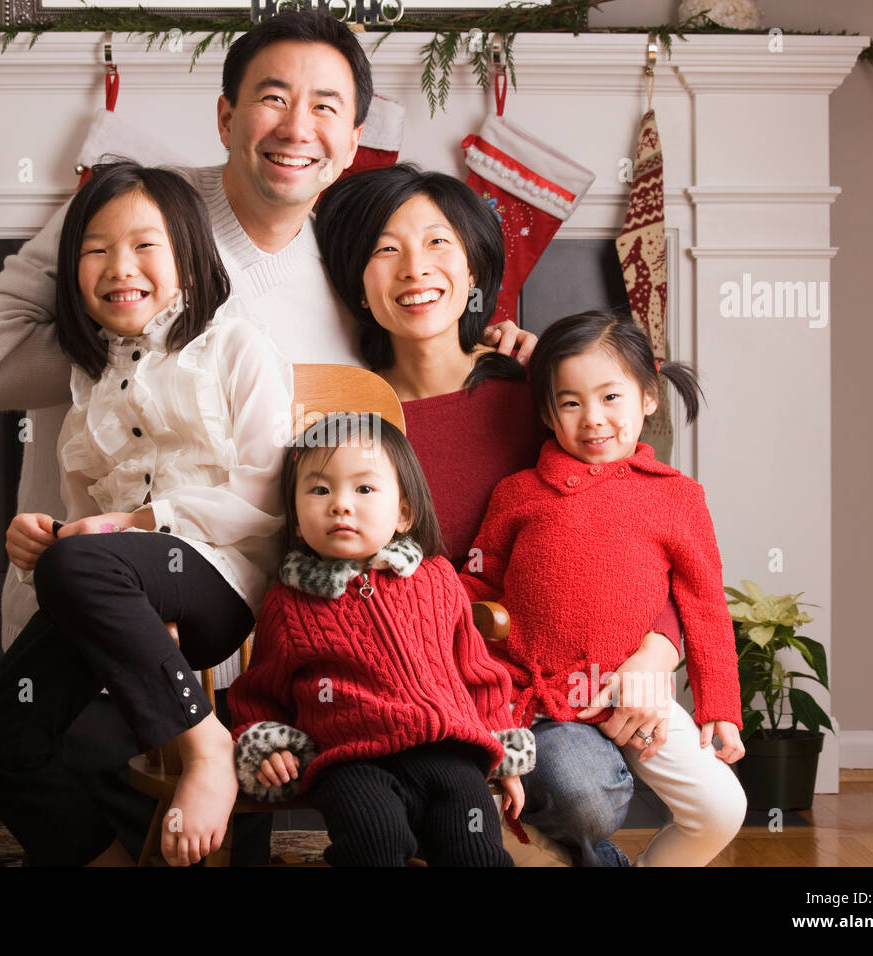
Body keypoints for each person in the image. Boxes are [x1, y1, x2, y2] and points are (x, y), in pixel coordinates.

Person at [0, 13, 535, 863]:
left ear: (354, 135)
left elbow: (394, 395)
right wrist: (132, 331)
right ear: (225, 118)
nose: (299, 127)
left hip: (269, 620)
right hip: (101, 588)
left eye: (326, 106)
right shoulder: (132, 214)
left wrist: (510, 350)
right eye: (273, 98)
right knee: (45, 754)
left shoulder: (343, 258)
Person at [314, 164, 684, 866]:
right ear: (356, 281)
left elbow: (647, 527)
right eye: (384, 250)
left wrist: (656, 651)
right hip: (406, 686)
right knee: (391, 801)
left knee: (579, 793)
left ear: (476, 262)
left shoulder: (543, 399)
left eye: (437, 243)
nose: (414, 269)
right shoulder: (344, 417)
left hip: (532, 688)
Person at [0, 161, 294, 867]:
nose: (119, 267)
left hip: (221, 580)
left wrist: (122, 532)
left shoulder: (237, 348)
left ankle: (208, 748)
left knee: (84, 560)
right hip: (119, 590)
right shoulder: (90, 378)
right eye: (95, 250)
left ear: (191, 263)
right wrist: (42, 540)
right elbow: (85, 526)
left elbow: (264, 502)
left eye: (145, 245)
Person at [461, 310, 749, 866]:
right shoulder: (518, 493)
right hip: (538, 699)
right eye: (570, 403)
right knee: (562, 804)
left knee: (720, 808)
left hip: (636, 696)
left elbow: (704, 602)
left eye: (611, 397)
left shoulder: (678, 498)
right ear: (547, 411)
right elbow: (479, 576)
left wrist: (721, 707)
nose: (592, 419)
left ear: (648, 396)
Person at [226, 413, 534, 866]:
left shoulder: (438, 580)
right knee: (374, 844)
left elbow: (478, 674)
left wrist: (501, 752)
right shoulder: (288, 606)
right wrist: (269, 747)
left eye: (364, 489)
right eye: (320, 489)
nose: (341, 505)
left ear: (404, 512)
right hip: (352, 762)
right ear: (294, 520)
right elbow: (260, 694)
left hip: (449, 751)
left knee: (476, 849)